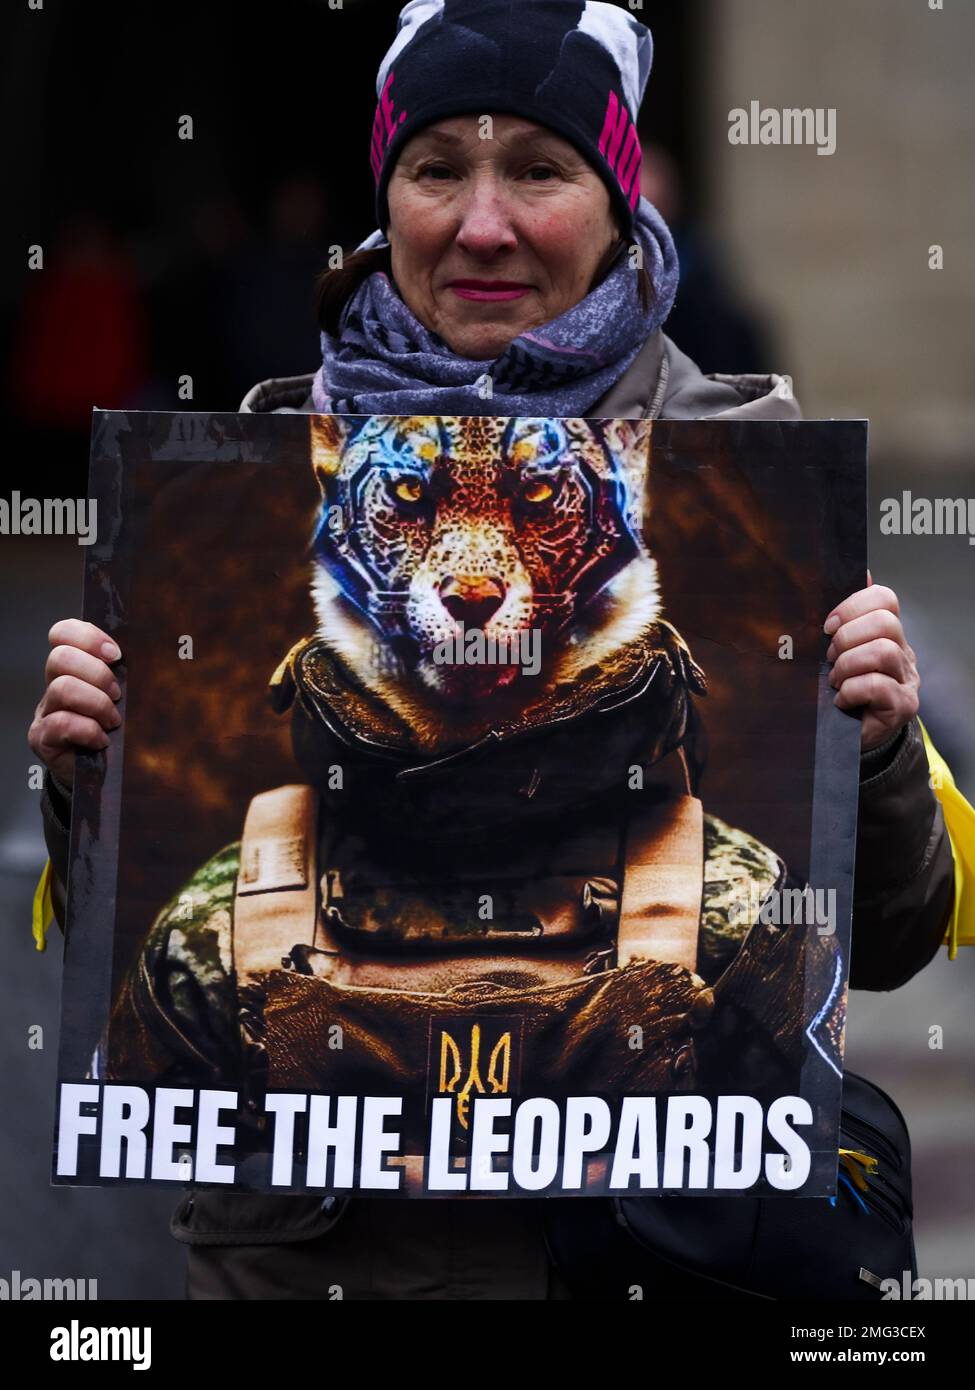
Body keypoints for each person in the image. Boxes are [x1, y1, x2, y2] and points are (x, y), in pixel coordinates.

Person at [29, 0, 953, 1300]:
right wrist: (87, 778)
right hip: (306, 1269)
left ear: (621, 195)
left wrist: (880, 749)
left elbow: (895, 936)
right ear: (386, 189)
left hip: (633, 1266)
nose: (480, 224)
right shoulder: (246, 471)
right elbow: (120, 968)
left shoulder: (755, 478)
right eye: (436, 168)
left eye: (537, 167)